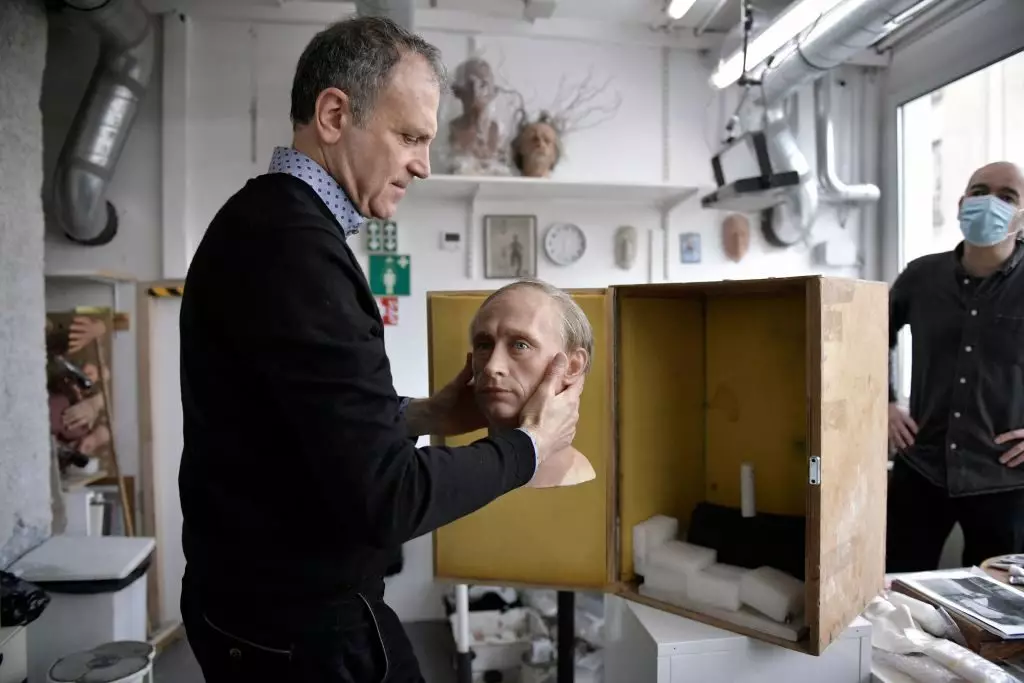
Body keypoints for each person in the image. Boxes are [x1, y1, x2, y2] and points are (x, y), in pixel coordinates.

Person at [177, 17, 584, 683]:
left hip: (251, 609)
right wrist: (528, 448)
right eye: (411, 136)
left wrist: (422, 415)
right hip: (294, 631)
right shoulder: (296, 250)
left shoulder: (265, 224)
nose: (424, 163)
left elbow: (297, 423)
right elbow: (387, 496)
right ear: (335, 114)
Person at [887, 160, 1024, 572]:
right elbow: (864, 337)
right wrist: (886, 402)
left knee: (998, 609)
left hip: (1004, 478)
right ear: (962, 203)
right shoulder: (921, 276)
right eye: (979, 191)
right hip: (921, 465)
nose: (989, 203)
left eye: (1007, 196)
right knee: (897, 589)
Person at [469, 279, 597, 488]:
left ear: (572, 366)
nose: (492, 367)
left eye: (520, 345)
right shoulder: (457, 474)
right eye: (484, 346)